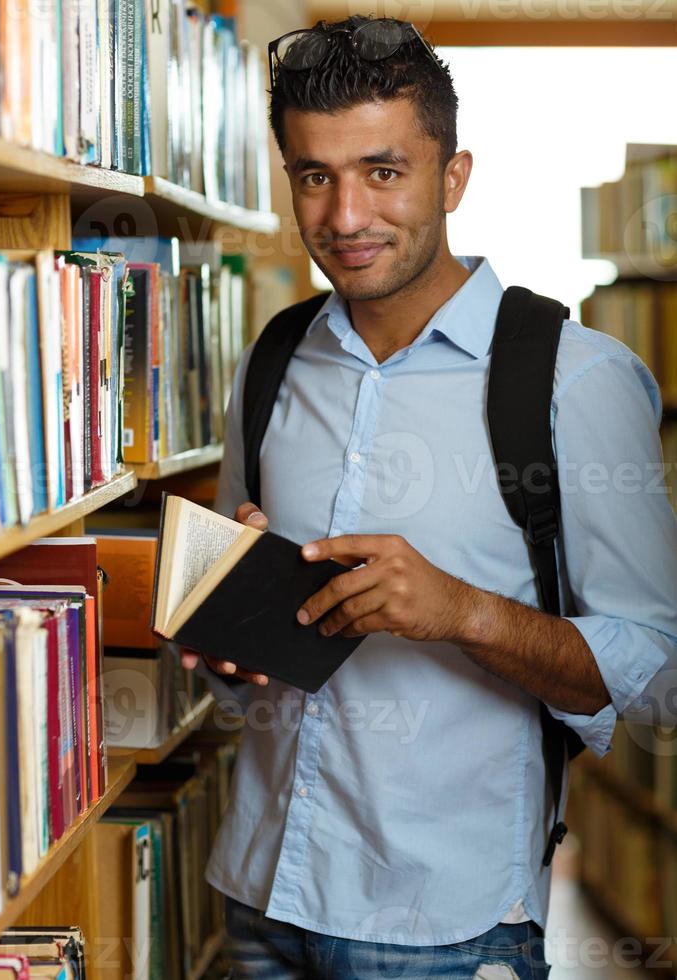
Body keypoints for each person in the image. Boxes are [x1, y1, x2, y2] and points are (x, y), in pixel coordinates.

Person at [181, 15, 677, 979]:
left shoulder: (573, 382)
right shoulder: (273, 359)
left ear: (452, 178)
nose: (345, 217)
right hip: (256, 892)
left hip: (447, 928)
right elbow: (238, 616)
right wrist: (228, 634)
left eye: (383, 170)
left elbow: (658, 678)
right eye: (313, 176)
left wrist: (462, 612)